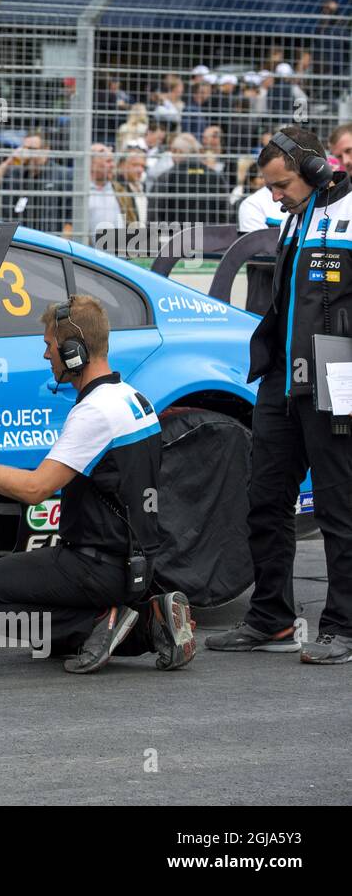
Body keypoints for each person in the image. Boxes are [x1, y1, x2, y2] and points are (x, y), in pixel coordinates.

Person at [0, 296, 196, 674]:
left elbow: (34, 490)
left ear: (73, 352)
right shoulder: (135, 399)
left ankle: (102, 624)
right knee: (44, 630)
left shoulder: (93, 413)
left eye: (49, 346)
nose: (47, 356)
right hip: (137, 566)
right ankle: (150, 622)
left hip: (96, 567)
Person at [206, 125, 352, 664]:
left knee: (339, 508)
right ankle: (271, 618)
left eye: (282, 183)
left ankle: (344, 625)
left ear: (315, 170)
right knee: (265, 501)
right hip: (281, 383)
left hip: (336, 381)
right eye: (269, 186)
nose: (275, 194)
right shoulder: (294, 218)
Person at [0, 131, 72, 236]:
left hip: (48, 240)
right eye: (25, 148)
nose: (28, 154)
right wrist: (9, 160)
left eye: (32, 149)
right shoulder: (15, 173)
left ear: (46, 150)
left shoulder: (62, 176)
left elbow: (70, 221)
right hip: (15, 239)